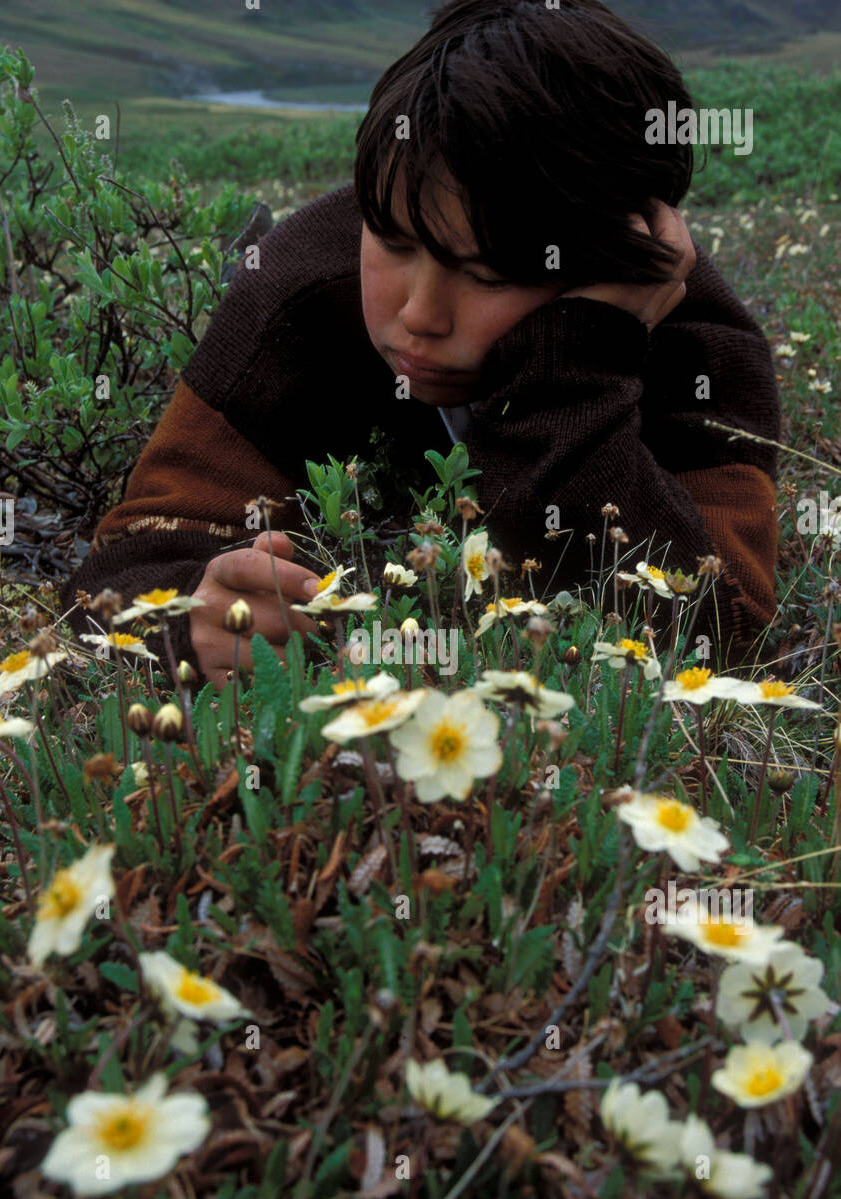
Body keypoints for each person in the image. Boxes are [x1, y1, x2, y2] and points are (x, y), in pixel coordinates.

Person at [59, 0, 780, 690]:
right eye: (394, 242)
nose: (420, 313)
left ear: (612, 261)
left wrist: (572, 373)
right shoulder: (297, 293)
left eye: (490, 273)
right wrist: (192, 612)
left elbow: (722, 625)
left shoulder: (698, 342)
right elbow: (131, 552)